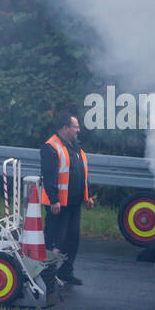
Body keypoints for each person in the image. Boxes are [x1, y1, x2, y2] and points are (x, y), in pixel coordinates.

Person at [38, 113, 94, 289]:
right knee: (55, 240)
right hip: (59, 205)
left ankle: (66, 272)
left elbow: (82, 174)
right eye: (75, 127)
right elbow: (49, 177)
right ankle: (47, 275)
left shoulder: (75, 147)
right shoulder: (51, 147)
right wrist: (54, 200)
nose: (78, 130)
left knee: (73, 239)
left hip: (74, 203)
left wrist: (88, 196)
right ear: (65, 128)